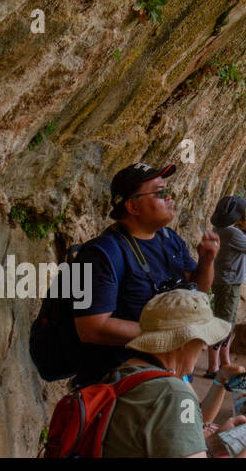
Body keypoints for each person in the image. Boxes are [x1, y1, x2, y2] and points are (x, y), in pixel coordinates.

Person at [72, 162, 219, 387]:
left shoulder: (169, 240)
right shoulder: (100, 254)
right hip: (119, 383)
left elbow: (196, 294)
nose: (170, 197)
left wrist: (207, 261)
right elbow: (91, 328)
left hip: (168, 372)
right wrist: (170, 334)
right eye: (161, 193)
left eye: (168, 191)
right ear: (132, 206)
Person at [99, 289, 246, 457]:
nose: (204, 347)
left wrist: (216, 441)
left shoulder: (125, 373)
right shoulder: (173, 393)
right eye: (202, 339)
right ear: (183, 342)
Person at [205, 195, 246, 379]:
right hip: (229, 283)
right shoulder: (232, 233)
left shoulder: (220, 229)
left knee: (225, 322)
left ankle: (224, 361)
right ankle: (213, 367)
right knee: (223, 324)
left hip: (223, 281)